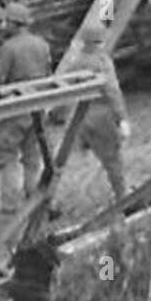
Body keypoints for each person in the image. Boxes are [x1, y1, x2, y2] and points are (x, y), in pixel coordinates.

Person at [0, 1, 53, 213]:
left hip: (15, 110)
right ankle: (34, 199)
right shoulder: (42, 44)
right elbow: (48, 73)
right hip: (37, 107)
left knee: (7, 156)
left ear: (11, 23)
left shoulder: (8, 48)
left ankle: (10, 205)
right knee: (32, 157)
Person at [58, 22, 130, 204]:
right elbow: (112, 91)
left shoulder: (76, 62)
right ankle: (124, 198)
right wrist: (122, 119)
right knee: (113, 160)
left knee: (69, 161)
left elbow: (63, 88)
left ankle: (58, 198)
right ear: (100, 42)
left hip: (79, 118)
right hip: (102, 116)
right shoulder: (102, 62)